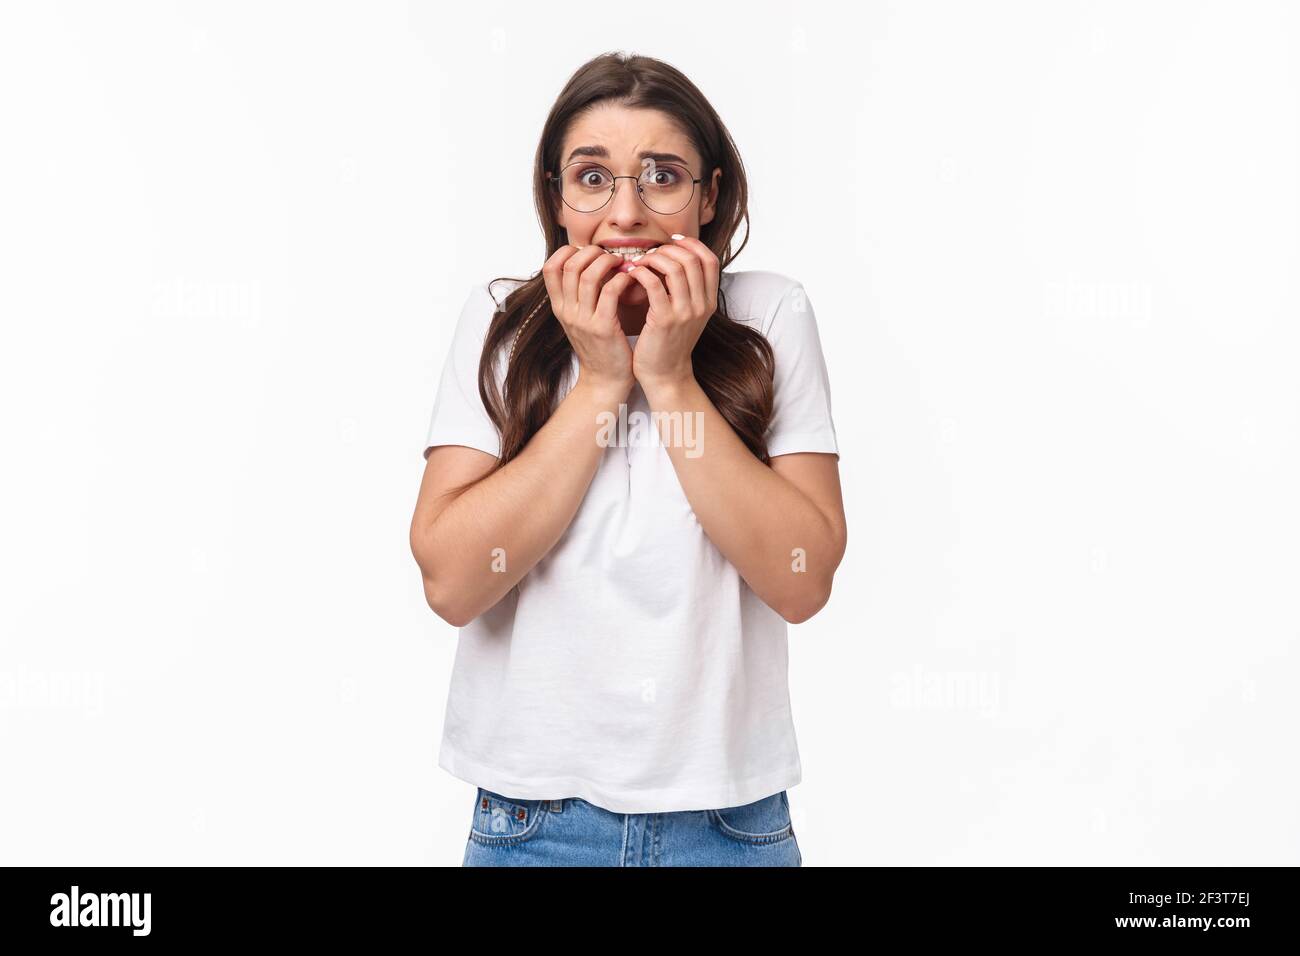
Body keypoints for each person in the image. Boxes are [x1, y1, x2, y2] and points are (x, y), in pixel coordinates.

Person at [410, 52, 846, 867]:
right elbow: (453, 583)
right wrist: (602, 381)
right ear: (557, 197)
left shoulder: (771, 314)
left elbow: (801, 579)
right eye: (593, 177)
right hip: (531, 825)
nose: (628, 213)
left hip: (729, 824)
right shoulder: (501, 321)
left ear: (709, 196)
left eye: (662, 176)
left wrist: (672, 378)